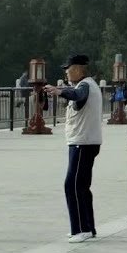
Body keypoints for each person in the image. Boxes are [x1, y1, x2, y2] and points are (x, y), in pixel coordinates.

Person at [44, 54, 104, 243]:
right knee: (82, 186)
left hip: (82, 143)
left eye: (68, 69)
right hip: (84, 142)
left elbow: (78, 95)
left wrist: (59, 91)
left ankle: (81, 229)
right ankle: (88, 227)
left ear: (78, 69)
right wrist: (63, 91)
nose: (66, 73)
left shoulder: (85, 86)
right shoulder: (86, 84)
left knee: (73, 185)